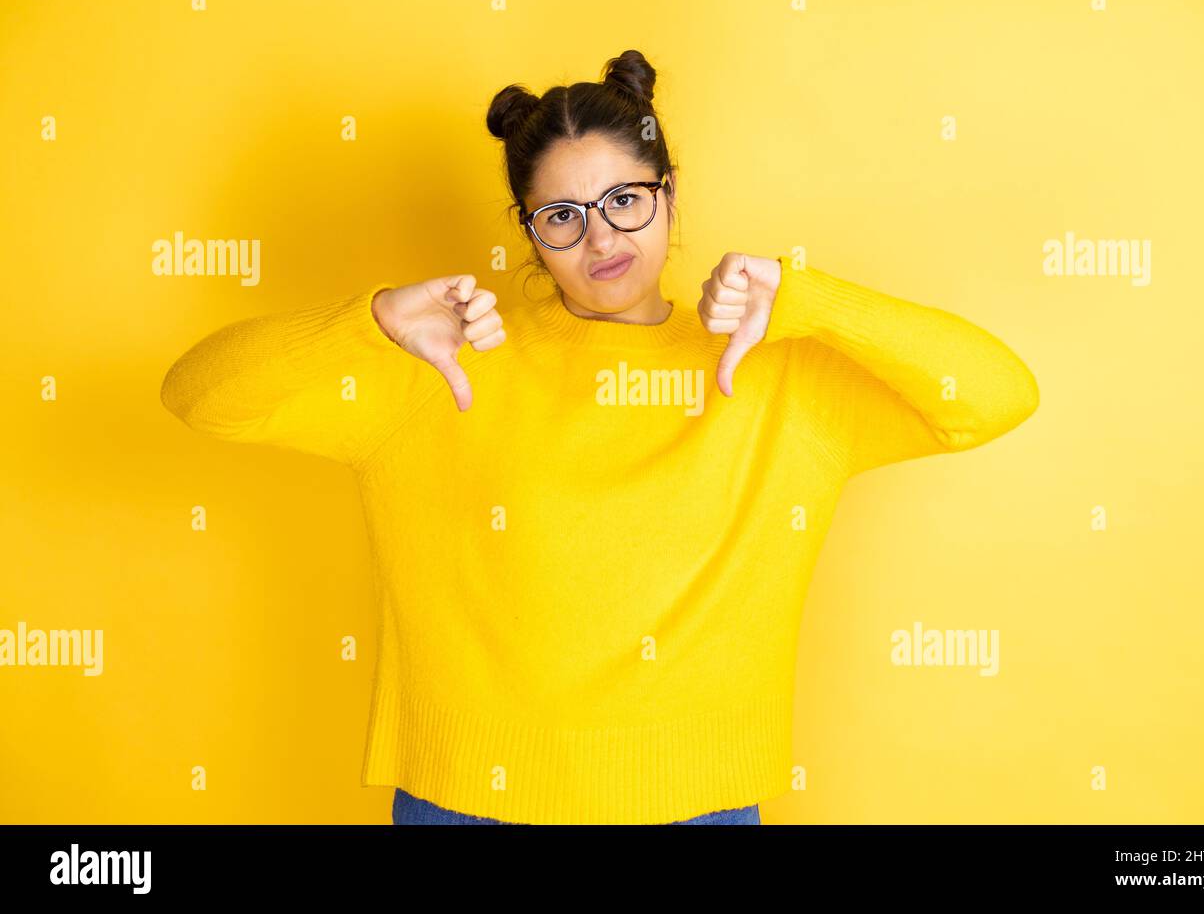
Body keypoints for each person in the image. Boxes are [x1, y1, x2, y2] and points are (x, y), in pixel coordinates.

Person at [159, 48, 1039, 825]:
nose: (601, 237)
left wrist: (809, 301)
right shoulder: (453, 361)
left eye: (626, 199)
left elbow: (996, 394)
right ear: (530, 232)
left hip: (698, 808)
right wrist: (373, 323)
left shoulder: (777, 371)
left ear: (671, 193)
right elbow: (200, 396)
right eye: (563, 216)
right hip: (467, 807)